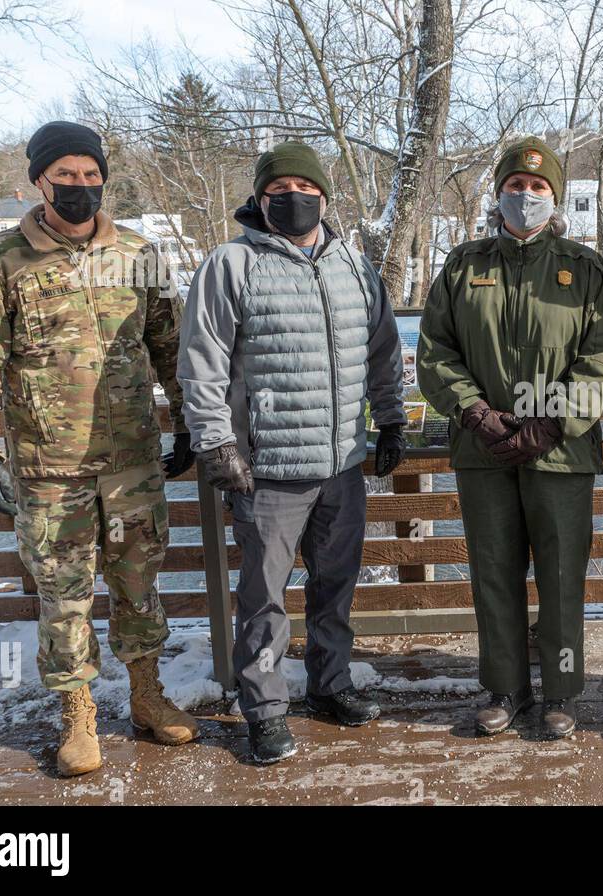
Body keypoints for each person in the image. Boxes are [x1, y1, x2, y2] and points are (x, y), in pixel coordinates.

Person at [0, 121, 198, 777]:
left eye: (91, 175)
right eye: (66, 176)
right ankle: (78, 715)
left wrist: (189, 421)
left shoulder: (140, 253)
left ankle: (147, 696)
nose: (80, 187)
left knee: (139, 585)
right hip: (48, 470)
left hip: (133, 462)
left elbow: (170, 347)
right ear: (39, 179)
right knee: (64, 597)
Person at [179, 142, 407, 764]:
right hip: (268, 473)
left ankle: (331, 686)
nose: (293, 199)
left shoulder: (355, 267)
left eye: (304, 189)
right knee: (264, 600)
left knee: (335, 588)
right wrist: (217, 442)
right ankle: (266, 710)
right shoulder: (231, 264)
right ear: (258, 199)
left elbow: (383, 351)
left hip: (341, 467)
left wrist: (389, 420)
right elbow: (202, 362)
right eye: (277, 191)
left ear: (326, 198)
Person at [418, 136, 603, 738]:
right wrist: (475, 413)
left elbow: (601, 354)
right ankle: (504, 687)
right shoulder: (462, 266)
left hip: (561, 450)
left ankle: (560, 691)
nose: (525, 195)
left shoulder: (584, 269)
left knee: (561, 575)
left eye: (538, 187)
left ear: (553, 198)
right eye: (515, 185)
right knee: (494, 569)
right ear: (499, 192)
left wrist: (551, 422)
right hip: (483, 447)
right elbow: (435, 351)